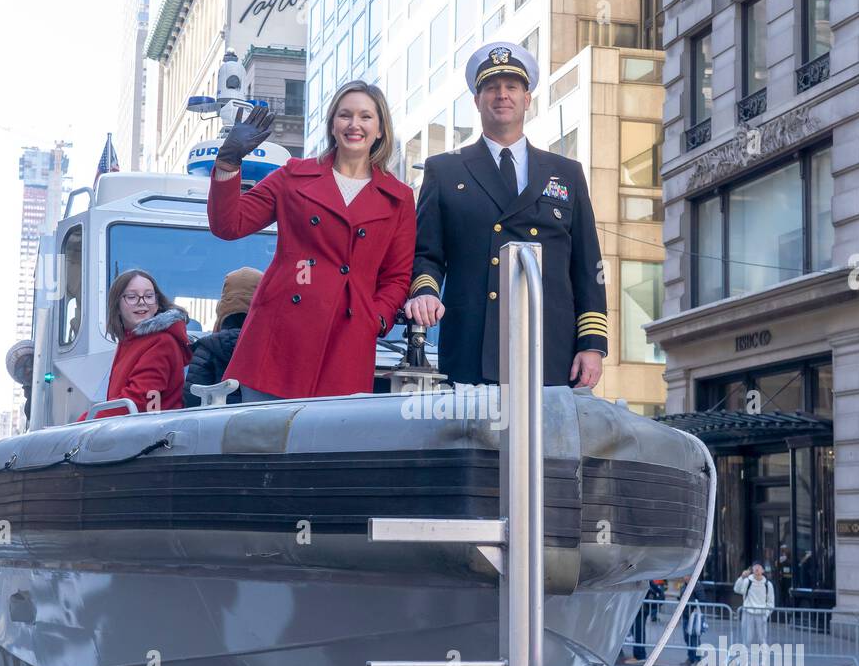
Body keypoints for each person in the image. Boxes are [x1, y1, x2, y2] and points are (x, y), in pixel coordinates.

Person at [404, 43, 607, 389]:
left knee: (547, 444)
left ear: (527, 99)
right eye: (491, 88)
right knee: (474, 442)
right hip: (472, 344)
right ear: (477, 100)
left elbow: (588, 266)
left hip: (551, 348)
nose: (502, 95)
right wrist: (426, 292)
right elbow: (426, 254)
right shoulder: (445, 170)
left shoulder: (566, 172)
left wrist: (592, 345)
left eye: (512, 87)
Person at [208, 80, 415, 402]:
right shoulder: (293, 175)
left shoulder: (398, 197)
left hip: (347, 341)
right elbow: (229, 225)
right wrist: (228, 162)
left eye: (365, 117)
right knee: (264, 443)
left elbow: (397, 277)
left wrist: (373, 320)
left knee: (325, 448)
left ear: (380, 129)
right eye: (345, 115)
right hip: (279, 340)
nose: (354, 125)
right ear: (333, 123)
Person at [78, 270, 191, 421]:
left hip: (151, 437)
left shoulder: (161, 342)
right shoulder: (131, 340)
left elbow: (137, 402)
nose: (142, 302)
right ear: (117, 305)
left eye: (149, 296)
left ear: (157, 303)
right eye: (132, 297)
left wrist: (83, 423)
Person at [183, 267, 262, 408]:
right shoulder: (274, 348)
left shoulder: (207, 348)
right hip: (266, 427)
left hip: (215, 428)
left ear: (222, 306)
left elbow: (192, 401)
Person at [734, 563, 774, 665]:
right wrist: (742, 577)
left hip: (761, 614)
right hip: (748, 613)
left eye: (759, 567)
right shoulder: (748, 581)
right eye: (755, 567)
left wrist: (766, 614)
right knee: (747, 638)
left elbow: (771, 602)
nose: (757, 569)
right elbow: (737, 590)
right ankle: (746, 662)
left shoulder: (767, 584)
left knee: (762, 639)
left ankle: (764, 663)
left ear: (763, 570)